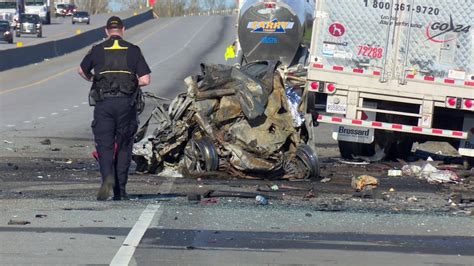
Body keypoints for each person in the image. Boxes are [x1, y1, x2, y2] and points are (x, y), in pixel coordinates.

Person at [78, 16, 151, 201]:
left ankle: (106, 178)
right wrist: (131, 84)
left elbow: (81, 70)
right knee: (125, 146)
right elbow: (145, 80)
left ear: (106, 31)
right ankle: (121, 191)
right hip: (126, 104)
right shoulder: (133, 50)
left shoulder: (97, 49)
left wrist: (94, 80)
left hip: (103, 104)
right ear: (123, 30)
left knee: (104, 145)